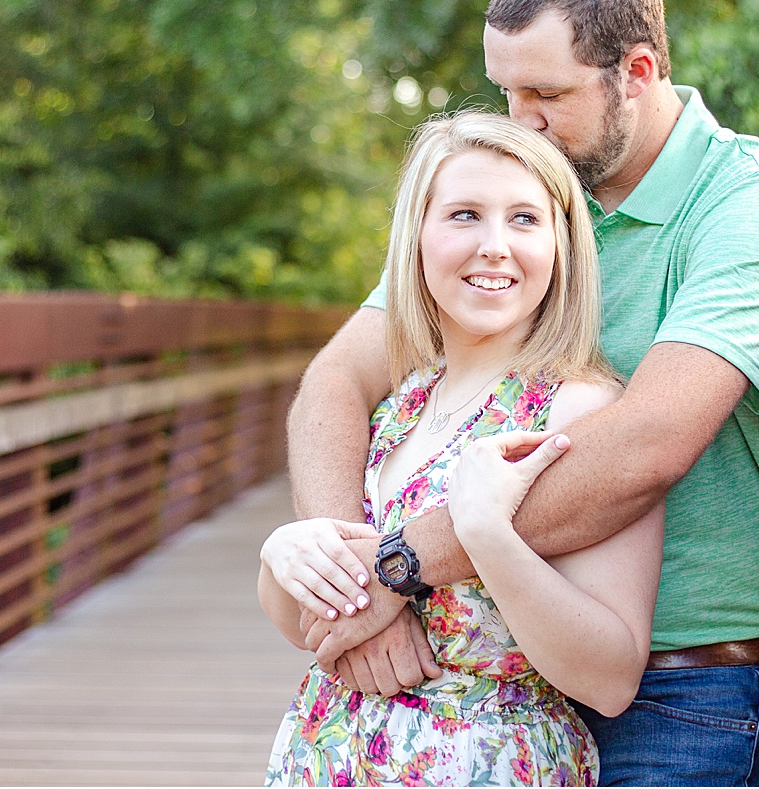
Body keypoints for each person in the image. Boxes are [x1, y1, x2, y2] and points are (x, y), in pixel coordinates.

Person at [283, 0, 759, 786]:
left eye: (545, 94)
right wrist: (350, 587)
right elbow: (334, 382)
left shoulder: (750, 204)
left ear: (637, 71)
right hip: (473, 677)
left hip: (675, 691)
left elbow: (647, 440)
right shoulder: (515, 202)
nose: (520, 119)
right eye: (507, 92)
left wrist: (403, 563)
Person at [258, 112, 665, 786]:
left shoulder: (575, 409)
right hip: (332, 754)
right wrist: (285, 558)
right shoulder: (402, 402)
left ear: (561, 245)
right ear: (416, 235)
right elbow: (312, 629)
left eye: (525, 219)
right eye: (465, 215)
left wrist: (486, 536)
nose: (495, 246)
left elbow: (611, 676)